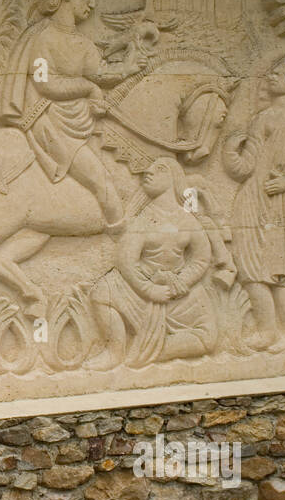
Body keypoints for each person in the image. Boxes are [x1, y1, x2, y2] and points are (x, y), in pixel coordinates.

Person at [0, 0, 139, 230]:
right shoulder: (43, 37)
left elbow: (99, 72)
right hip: (50, 123)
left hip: (79, 121)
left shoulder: (83, 43)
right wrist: (88, 88)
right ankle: (123, 243)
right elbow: (45, 82)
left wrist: (129, 65)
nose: (93, 3)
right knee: (103, 183)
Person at [222, 68, 285, 352]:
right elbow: (245, 168)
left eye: (282, 73)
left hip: (281, 203)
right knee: (250, 268)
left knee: (283, 271)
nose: (273, 77)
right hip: (251, 200)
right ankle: (267, 332)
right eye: (272, 73)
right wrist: (230, 150)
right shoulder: (261, 119)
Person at [90, 157, 217, 366]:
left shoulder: (187, 219)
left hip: (179, 291)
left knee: (208, 339)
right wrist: (149, 289)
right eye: (148, 170)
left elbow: (201, 258)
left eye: (159, 170)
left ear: (174, 178)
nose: (148, 173)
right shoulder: (143, 219)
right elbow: (126, 260)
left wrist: (182, 282)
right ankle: (115, 351)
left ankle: (148, 348)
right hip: (143, 286)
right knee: (102, 292)